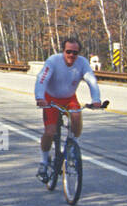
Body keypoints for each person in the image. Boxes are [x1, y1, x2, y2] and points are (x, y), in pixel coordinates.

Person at [34, 36, 103, 183]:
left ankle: (72, 147)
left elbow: (92, 80)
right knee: (50, 132)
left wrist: (96, 100)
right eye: (68, 51)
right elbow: (42, 79)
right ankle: (44, 162)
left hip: (69, 98)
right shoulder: (53, 61)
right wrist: (40, 97)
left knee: (77, 116)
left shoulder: (82, 63)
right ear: (63, 51)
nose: (71, 55)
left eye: (75, 52)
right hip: (50, 99)